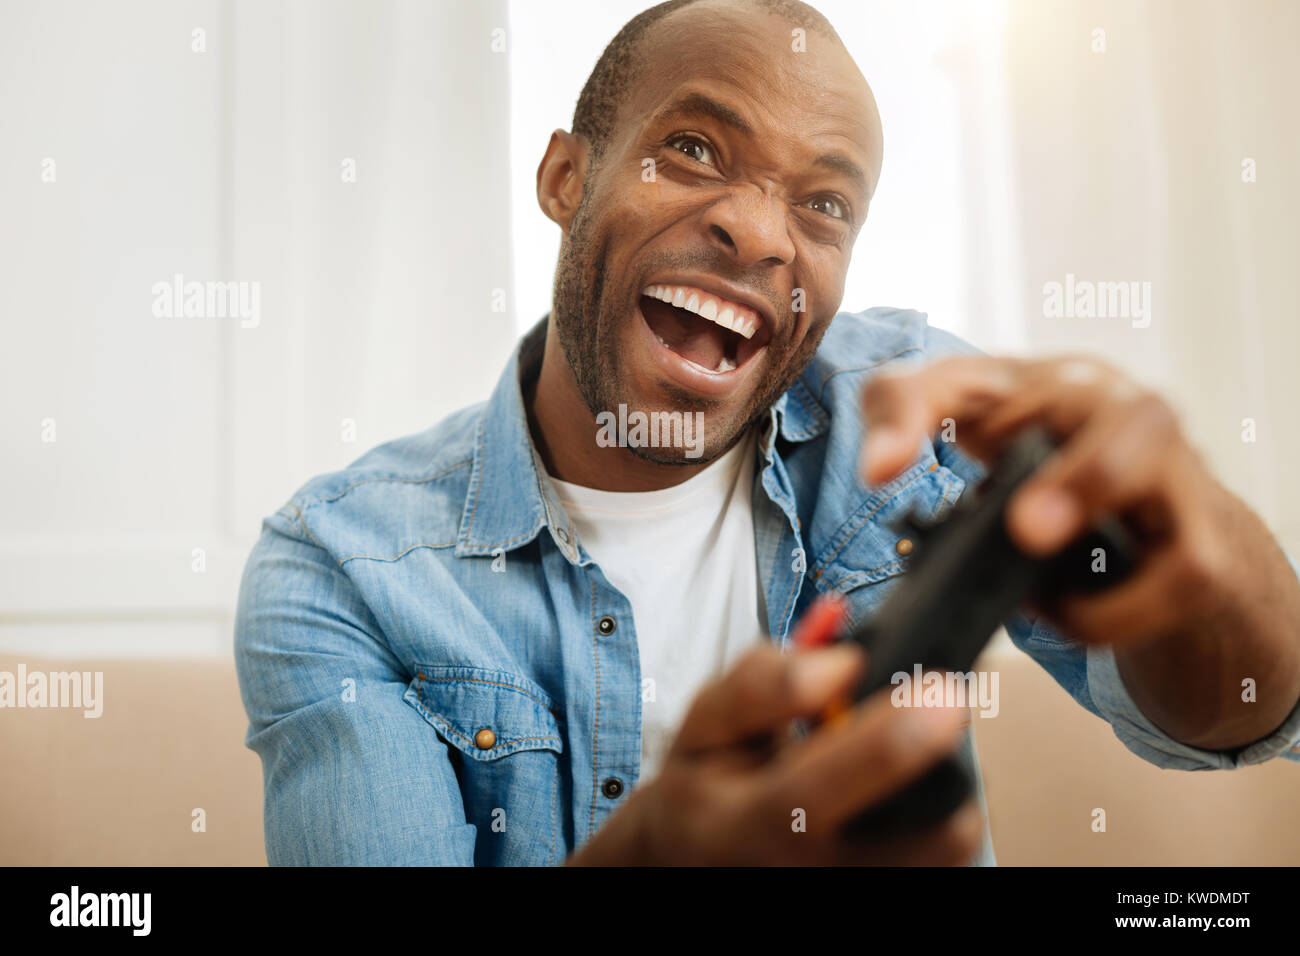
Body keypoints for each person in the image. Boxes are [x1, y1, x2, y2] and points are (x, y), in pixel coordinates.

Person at [234, 0, 1300, 866]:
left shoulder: (915, 415)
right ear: (567, 177)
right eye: (694, 148)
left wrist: (1203, 550)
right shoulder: (342, 564)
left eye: (825, 203)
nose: (756, 228)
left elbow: (1233, 718)